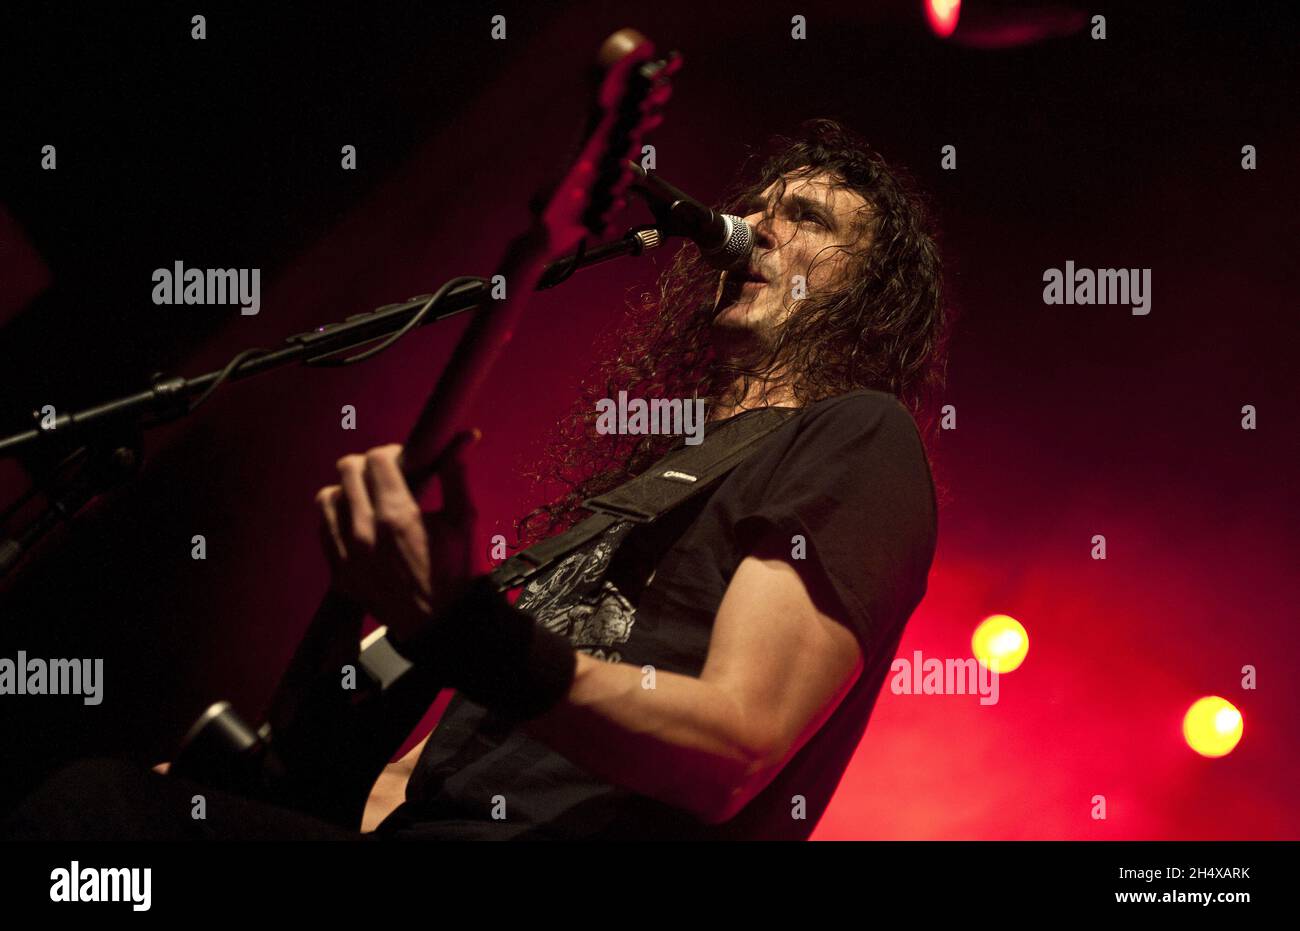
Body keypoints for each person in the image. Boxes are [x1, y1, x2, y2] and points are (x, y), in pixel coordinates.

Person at [2, 118, 951, 841]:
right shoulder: (659, 479)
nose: (751, 226)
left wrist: (468, 629)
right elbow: (421, 766)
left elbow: (738, 745)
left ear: (868, 294)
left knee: (90, 815)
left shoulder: (859, 435)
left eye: (806, 220)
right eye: (763, 203)